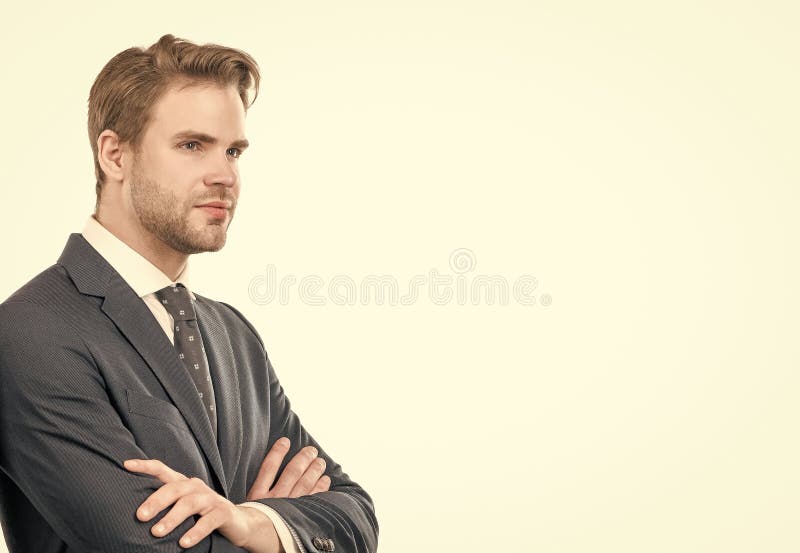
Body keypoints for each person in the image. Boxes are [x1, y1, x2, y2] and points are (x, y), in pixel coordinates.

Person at [0, 34, 378, 553]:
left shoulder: (232, 334)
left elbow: (355, 514)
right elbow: (145, 545)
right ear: (115, 155)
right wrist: (280, 525)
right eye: (192, 145)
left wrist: (248, 521)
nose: (224, 175)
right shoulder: (29, 332)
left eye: (233, 151)